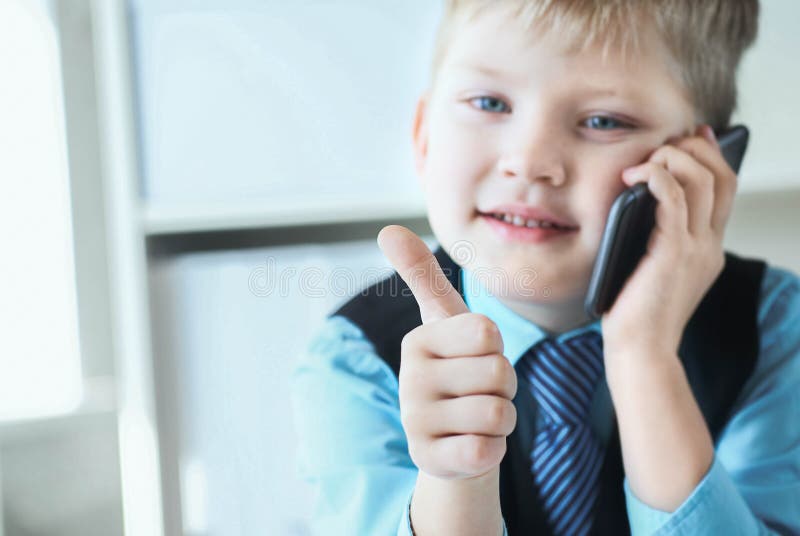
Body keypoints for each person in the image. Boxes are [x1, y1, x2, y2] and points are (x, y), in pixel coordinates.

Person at [291, 1, 800, 534]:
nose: (530, 161)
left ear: (704, 170)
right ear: (424, 137)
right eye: (490, 102)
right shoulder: (355, 359)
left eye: (604, 121)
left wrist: (643, 359)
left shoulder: (772, 327)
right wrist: (454, 481)